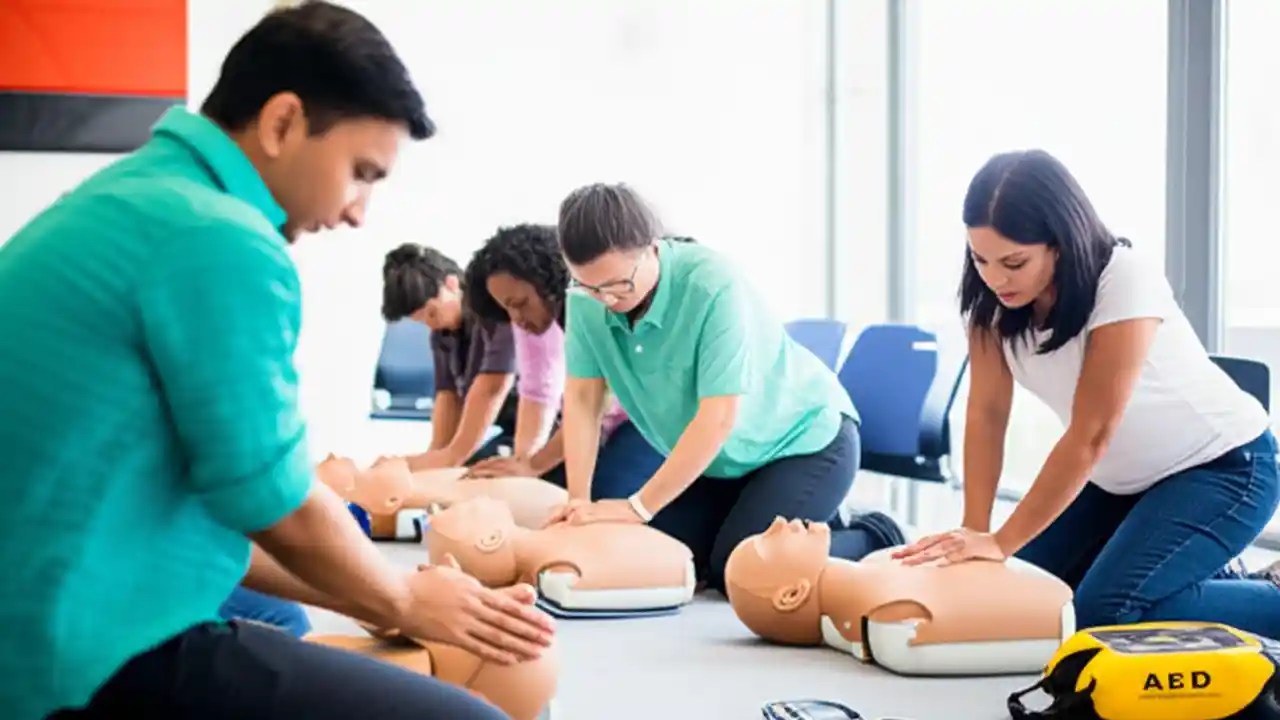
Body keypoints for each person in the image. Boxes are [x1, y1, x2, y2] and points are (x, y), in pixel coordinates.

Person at [0, 3, 553, 719]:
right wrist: (403, 598)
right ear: (283, 122)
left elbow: (222, 500)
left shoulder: (140, 196)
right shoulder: (218, 238)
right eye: (360, 172)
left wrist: (372, 596)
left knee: (285, 622)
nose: (358, 211)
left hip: (50, 584)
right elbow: (273, 504)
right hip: (64, 643)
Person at [893, 149, 1280, 639]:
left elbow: (1092, 433)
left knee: (1104, 613)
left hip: (1225, 468)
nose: (994, 278)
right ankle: (1212, 574)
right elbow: (987, 414)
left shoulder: (1123, 277)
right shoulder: (990, 304)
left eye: (1014, 262)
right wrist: (976, 533)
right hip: (1122, 483)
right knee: (1033, 596)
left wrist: (1003, 541)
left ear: (1061, 242)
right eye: (980, 258)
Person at [546, 182, 906, 594]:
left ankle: (873, 535)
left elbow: (717, 416)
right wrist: (578, 500)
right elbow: (582, 399)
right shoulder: (584, 299)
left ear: (652, 247)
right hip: (723, 463)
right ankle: (803, 522)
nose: (606, 299)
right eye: (591, 287)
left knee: (739, 569)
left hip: (803, 442)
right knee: (663, 550)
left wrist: (637, 505)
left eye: (619, 284)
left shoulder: (712, 283)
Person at [461, 223, 667, 498]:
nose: (516, 319)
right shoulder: (534, 320)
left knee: (605, 497)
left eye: (520, 303)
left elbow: (593, 402)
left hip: (650, 417)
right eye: (506, 309)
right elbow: (537, 392)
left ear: (546, 282)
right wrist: (524, 462)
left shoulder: (593, 303)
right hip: (606, 421)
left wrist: (535, 465)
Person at [381, 244, 519, 469]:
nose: (430, 324)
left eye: (432, 313)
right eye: (422, 321)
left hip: (545, 427)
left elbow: (492, 386)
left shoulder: (493, 312)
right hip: (509, 430)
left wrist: (452, 457)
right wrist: (434, 458)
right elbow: (448, 397)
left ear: (451, 283)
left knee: (472, 476)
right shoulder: (442, 336)